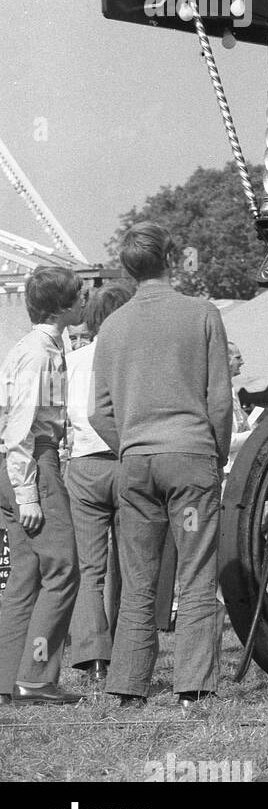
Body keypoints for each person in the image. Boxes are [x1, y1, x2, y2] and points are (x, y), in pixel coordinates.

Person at [91, 223, 233, 710]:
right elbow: (219, 401)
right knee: (195, 572)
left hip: (136, 467)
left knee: (138, 579)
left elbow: (97, 410)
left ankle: (128, 685)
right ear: (172, 256)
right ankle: (192, 687)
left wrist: (129, 444)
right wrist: (215, 452)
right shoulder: (202, 315)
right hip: (190, 461)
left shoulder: (112, 326)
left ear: (129, 269)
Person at [0, 265, 86, 705]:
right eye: (78, 295)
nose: (84, 301)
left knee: (26, 574)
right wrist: (29, 492)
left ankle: (6, 677)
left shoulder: (33, 347)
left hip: (16, 463)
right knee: (63, 569)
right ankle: (35, 676)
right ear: (62, 307)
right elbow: (21, 427)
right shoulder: (40, 354)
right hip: (33, 458)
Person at [64, 282, 134, 686]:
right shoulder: (132, 359)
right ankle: (127, 652)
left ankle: (93, 657)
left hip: (84, 465)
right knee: (132, 567)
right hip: (125, 461)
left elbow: (54, 415)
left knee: (90, 568)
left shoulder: (70, 361)